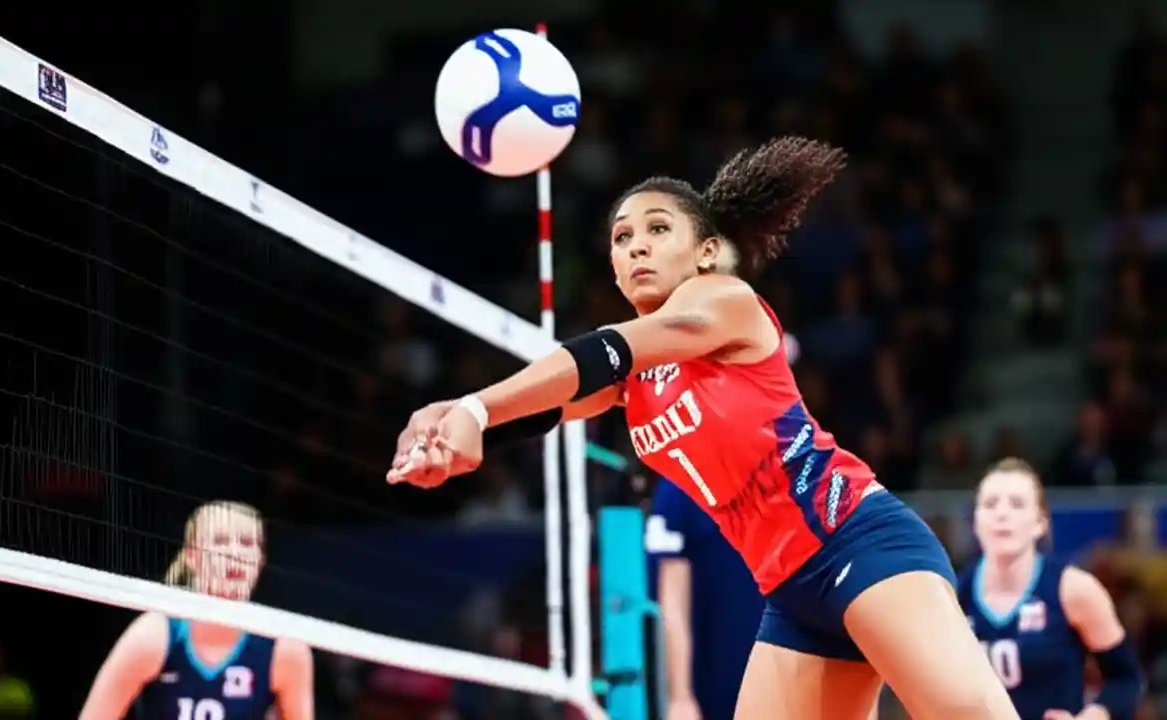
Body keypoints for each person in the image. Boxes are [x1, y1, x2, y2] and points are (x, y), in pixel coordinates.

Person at [387, 136, 1019, 718]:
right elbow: (548, 405)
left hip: (859, 542)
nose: (635, 245)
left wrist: (474, 407)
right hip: (791, 593)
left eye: (657, 229)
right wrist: (451, 434)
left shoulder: (722, 302)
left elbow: (603, 351)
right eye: (621, 237)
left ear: (707, 251)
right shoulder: (633, 381)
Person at [80, 501, 314, 720]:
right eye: (221, 541)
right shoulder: (154, 636)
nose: (236, 553)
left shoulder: (285, 649)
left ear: (260, 559)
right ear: (192, 556)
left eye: (247, 543)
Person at [959, 458, 1142, 720]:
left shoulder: (1074, 589)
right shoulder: (951, 596)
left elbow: (1126, 679)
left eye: (1017, 504)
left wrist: (1091, 717)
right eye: (990, 504)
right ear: (975, 521)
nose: (1002, 513)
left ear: (1040, 522)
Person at [646, 476, 762, 720]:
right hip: (712, 684)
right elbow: (673, 599)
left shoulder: (790, 468)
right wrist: (681, 697)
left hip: (780, 679)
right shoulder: (681, 482)